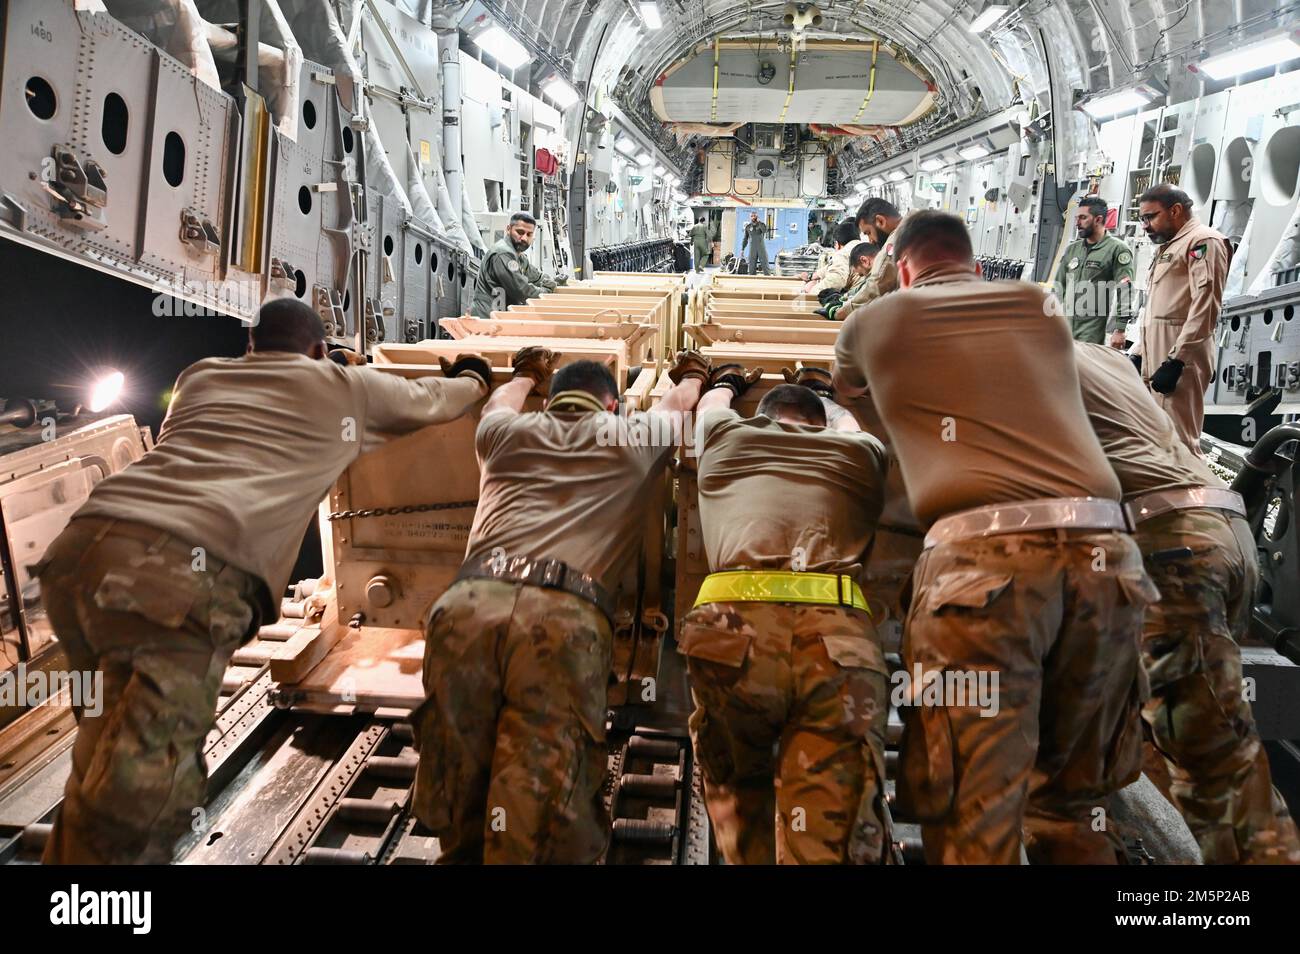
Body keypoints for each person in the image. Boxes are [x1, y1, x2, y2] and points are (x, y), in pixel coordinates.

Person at [34, 298, 491, 864]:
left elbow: (231, 432)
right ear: (321, 350)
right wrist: (474, 376)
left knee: (102, 752)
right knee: (147, 791)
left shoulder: (199, 375)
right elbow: (432, 400)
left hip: (79, 557)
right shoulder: (345, 389)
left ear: (249, 344)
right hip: (175, 579)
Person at [833, 210, 1156, 864]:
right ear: (978, 265)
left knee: (977, 802)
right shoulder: (1041, 305)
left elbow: (866, 418)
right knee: (1077, 800)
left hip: (985, 566)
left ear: (901, 270)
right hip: (1109, 557)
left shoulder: (873, 322)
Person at [411, 349, 706, 863]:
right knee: (540, 802)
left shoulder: (506, 434)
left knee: (457, 778)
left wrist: (525, 374)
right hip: (558, 619)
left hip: (465, 606)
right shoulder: (630, 438)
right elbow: (678, 403)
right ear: (612, 407)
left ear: (550, 401)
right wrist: (697, 376)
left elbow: (498, 401)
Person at [1073, 340, 1300, 865]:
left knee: (1216, 769)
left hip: (1170, 551)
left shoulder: (992, 356)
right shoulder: (1096, 355)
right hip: (1224, 530)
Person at [681, 366, 891, 864]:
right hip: (836, 646)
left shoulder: (727, 438)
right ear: (820, 419)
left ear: (763, 418)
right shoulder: (858, 453)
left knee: (736, 792)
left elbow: (711, 406)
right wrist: (826, 392)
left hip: (731, 637)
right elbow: (849, 425)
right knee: (828, 833)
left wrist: (728, 381)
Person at [1132, 184, 1230, 456]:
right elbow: (1159, 308)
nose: (1146, 226)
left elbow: (1205, 307)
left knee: (1181, 446)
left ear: (1175, 211)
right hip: (1158, 358)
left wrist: (1176, 360)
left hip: (1180, 362)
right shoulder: (1171, 246)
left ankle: (1197, 497)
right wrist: (1139, 353)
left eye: (1150, 217)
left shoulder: (1203, 242)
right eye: (1143, 219)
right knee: (1156, 443)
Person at [1051, 196, 1136, 345]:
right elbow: (1058, 287)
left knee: (1083, 368)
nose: (1077, 223)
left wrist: (1120, 329)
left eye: (1083, 218)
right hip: (1064, 329)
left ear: (1098, 219)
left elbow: (1125, 288)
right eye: (1077, 218)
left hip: (1091, 333)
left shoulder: (1117, 249)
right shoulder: (1072, 250)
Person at [471, 211, 566, 319]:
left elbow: (535, 276)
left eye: (529, 234)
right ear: (508, 229)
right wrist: (546, 292)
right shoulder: (503, 254)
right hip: (488, 319)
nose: (524, 238)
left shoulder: (518, 256)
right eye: (520, 232)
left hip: (499, 317)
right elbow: (521, 290)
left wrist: (552, 281)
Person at [839, 198, 902, 319]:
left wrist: (843, 311)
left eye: (868, 232)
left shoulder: (896, 241)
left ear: (880, 221)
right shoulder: (920, 225)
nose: (871, 240)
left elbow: (877, 284)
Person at [815, 243, 879, 320]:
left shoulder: (877, 280)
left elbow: (863, 296)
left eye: (862, 274)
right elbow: (858, 291)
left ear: (865, 261)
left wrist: (835, 311)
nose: (862, 277)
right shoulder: (885, 269)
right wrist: (844, 297)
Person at [803, 219, 862, 299]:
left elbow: (836, 280)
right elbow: (832, 266)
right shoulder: (862, 247)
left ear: (837, 244)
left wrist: (811, 293)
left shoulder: (842, 253)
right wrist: (813, 276)